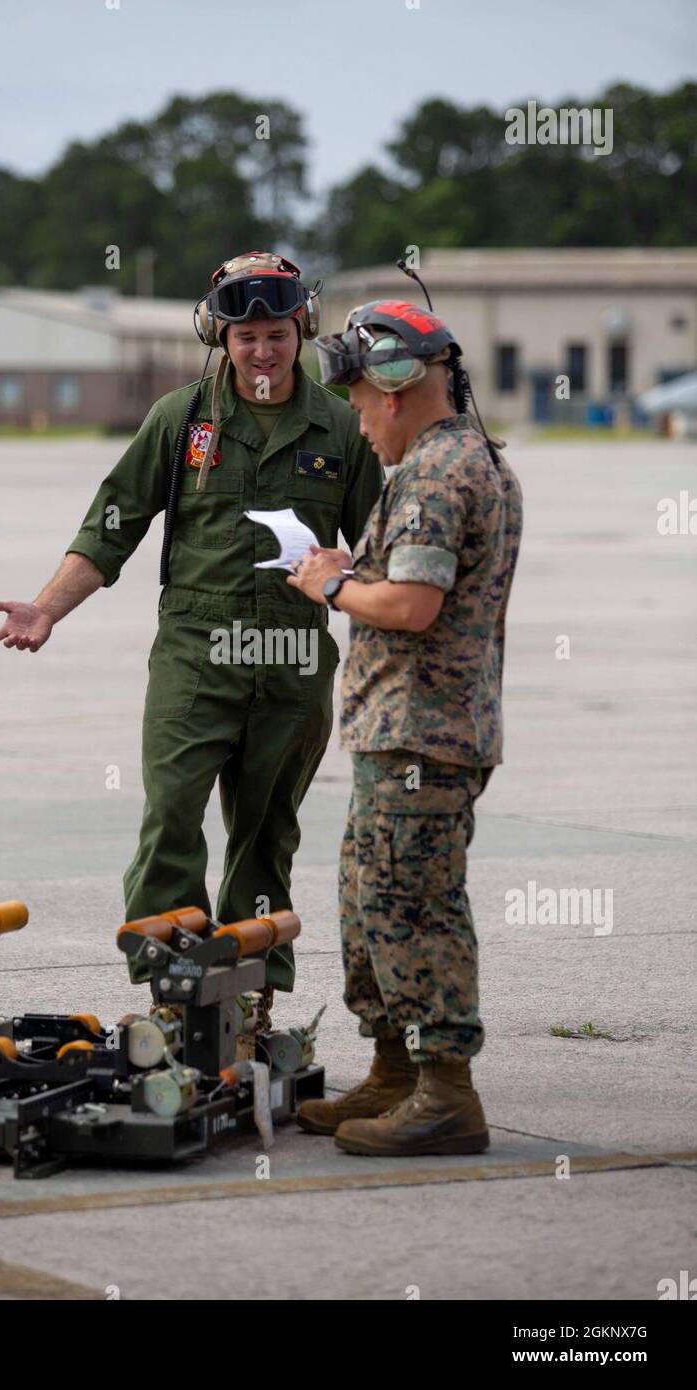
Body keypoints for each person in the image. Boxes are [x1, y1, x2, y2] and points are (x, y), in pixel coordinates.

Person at [0, 252, 382, 1006]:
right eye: (245, 337)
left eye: (276, 334)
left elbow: (380, 549)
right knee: (170, 818)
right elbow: (112, 526)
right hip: (195, 658)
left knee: (266, 835)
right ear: (219, 337)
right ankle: (172, 988)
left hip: (295, 662)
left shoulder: (342, 426)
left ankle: (249, 1002)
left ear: (303, 330)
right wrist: (46, 607)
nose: (261, 351)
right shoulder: (180, 419)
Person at [289, 299, 522, 1154]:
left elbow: (413, 606)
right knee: (370, 901)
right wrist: (361, 569)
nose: (358, 422)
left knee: (414, 910)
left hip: (421, 734)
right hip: (416, 732)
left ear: (392, 391)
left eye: (357, 404)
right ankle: (394, 1071)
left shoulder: (432, 474)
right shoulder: (472, 459)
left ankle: (446, 1094)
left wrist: (328, 585)